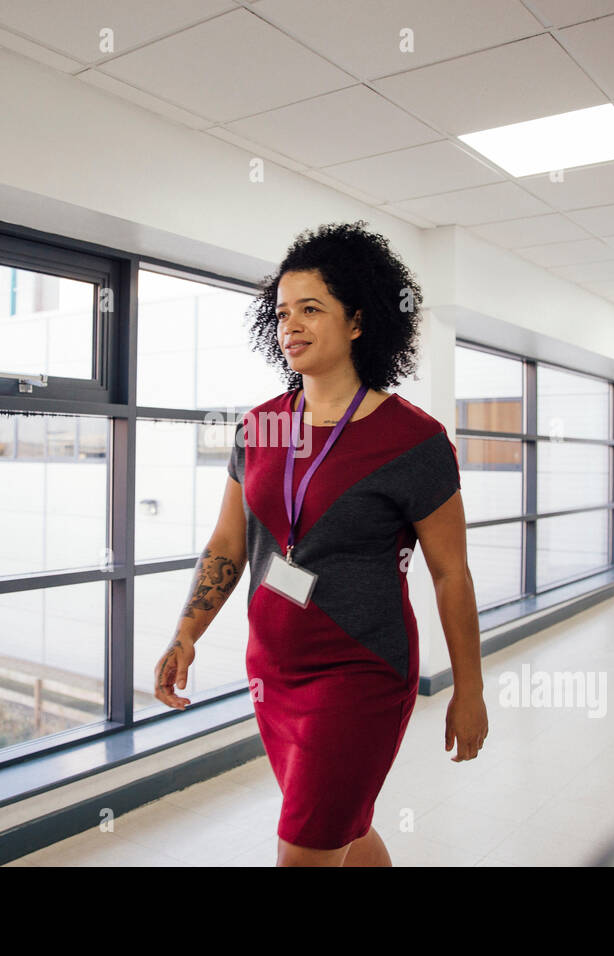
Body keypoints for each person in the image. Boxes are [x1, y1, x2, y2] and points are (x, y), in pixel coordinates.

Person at [153, 221, 488, 867]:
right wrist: (186, 631)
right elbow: (228, 540)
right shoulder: (260, 426)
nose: (291, 325)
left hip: (359, 671)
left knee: (307, 845)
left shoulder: (414, 442)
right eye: (282, 312)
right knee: (345, 831)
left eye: (312, 309)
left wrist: (468, 690)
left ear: (359, 322)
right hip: (272, 669)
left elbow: (452, 573)